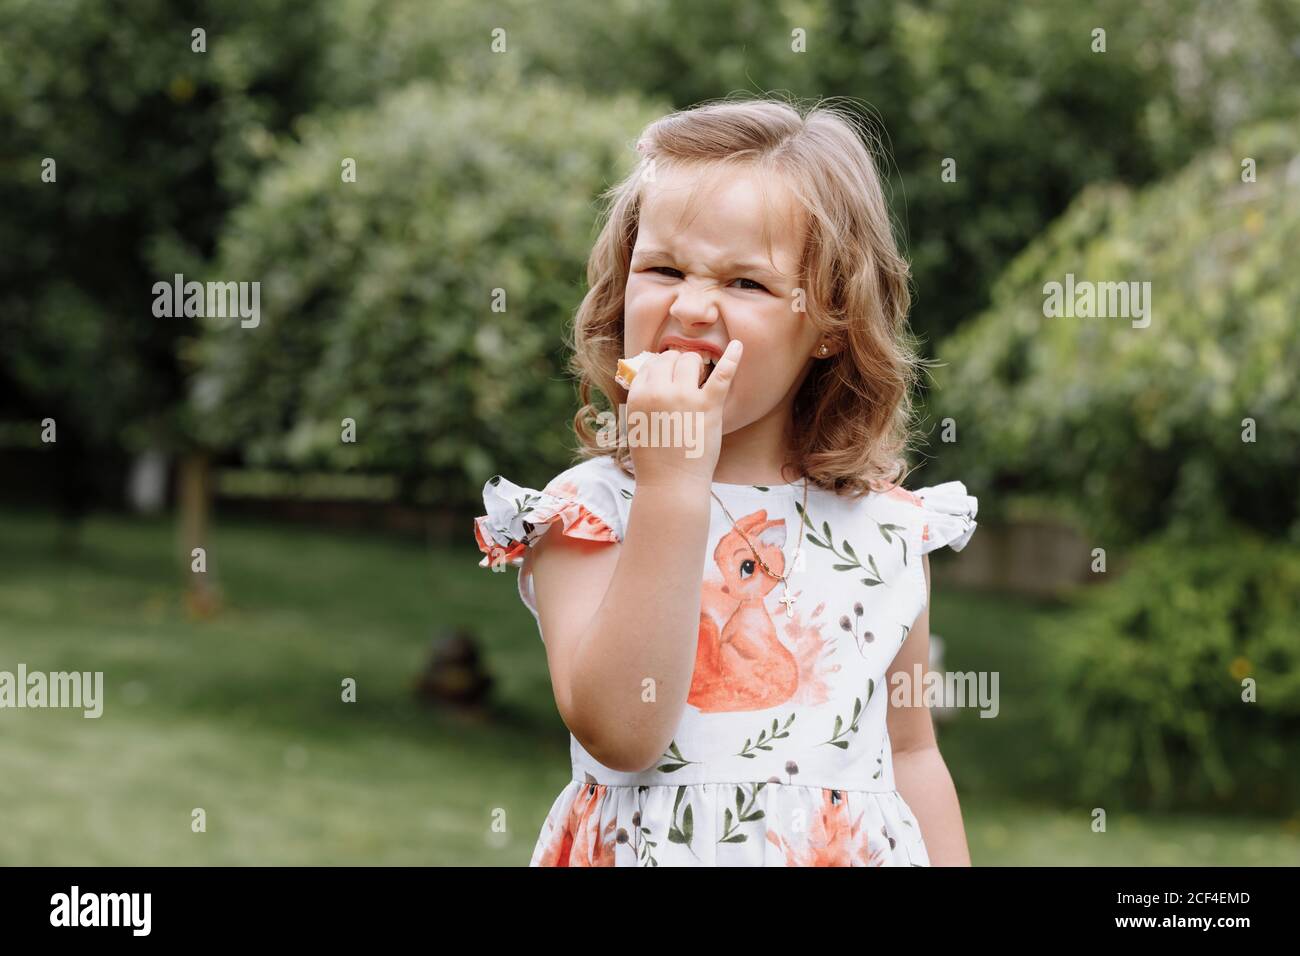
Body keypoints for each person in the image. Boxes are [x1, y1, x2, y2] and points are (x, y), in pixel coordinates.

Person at [473, 96, 978, 866]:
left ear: (831, 326)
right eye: (664, 269)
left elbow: (910, 755)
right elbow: (623, 730)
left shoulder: (887, 529)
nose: (692, 305)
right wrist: (674, 483)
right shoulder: (587, 514)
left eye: (747, 283)